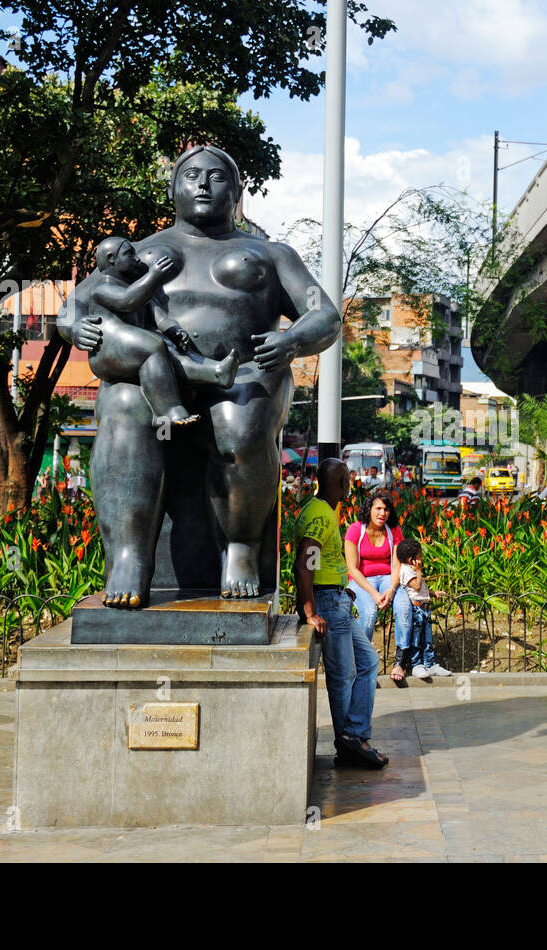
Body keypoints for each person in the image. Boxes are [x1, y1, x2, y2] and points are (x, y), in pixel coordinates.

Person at [59, 144, 341, 607]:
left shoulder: (270, 252)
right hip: (157, 375)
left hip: (245, 372)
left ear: (237, 191)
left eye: (217, 176)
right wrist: (76, 326)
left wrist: (291, 342)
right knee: (124, 405)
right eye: (192, 176)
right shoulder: (141, 251)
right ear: (173, 190)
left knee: (239, 418)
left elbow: (324, 314)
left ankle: (241, 547)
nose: (204, 184)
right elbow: (79, 302)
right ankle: (129, 554)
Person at [83, 236, 239, 428]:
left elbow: (158, 316)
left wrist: (173, 331)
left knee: (169, 349)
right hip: (108, 352)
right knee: (153, 346)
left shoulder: (136, 287)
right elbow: (127, 300)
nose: (137, 259)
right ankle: (167, 411)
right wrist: (154, 276)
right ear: (111, 259)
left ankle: (216, 373)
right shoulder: (103, 288)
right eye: (129, 254)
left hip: (133, 345)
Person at [297, 459, 386, 769]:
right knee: (342, 675)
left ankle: (354, 734)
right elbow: (305, 563)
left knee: (369, 661)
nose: (349, 485)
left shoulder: (323, 510)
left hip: (338, 599)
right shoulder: (320, 514)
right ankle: (350, 743)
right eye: (346, 480)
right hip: (328, 604)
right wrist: (310, 610)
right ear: (337, 484)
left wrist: (343, 588)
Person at [344, 489, 405, 646]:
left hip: (388, 578)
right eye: (378, 508)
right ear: (369, 509)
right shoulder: (355, 530)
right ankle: (361, 657)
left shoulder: (394, 530)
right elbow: (351, 568)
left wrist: (391, 589)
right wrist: (374, 594)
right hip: (362, 579)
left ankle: (402, 657)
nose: (382, 513)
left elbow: (397, 564)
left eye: (386, 509)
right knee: (370, 612)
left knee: (403, 605)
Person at [394, 538, 451, 680]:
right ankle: (416, 665)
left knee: (427, 639)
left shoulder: (412, 569)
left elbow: (421, 590)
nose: (422, 559)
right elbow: (417, 586)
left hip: (424, 609)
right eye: (419, 556)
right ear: (411, 559)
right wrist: (418, 571)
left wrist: (432, 593)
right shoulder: (406, 570)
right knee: (416, 639)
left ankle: (430, 664)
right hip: (416, 610)